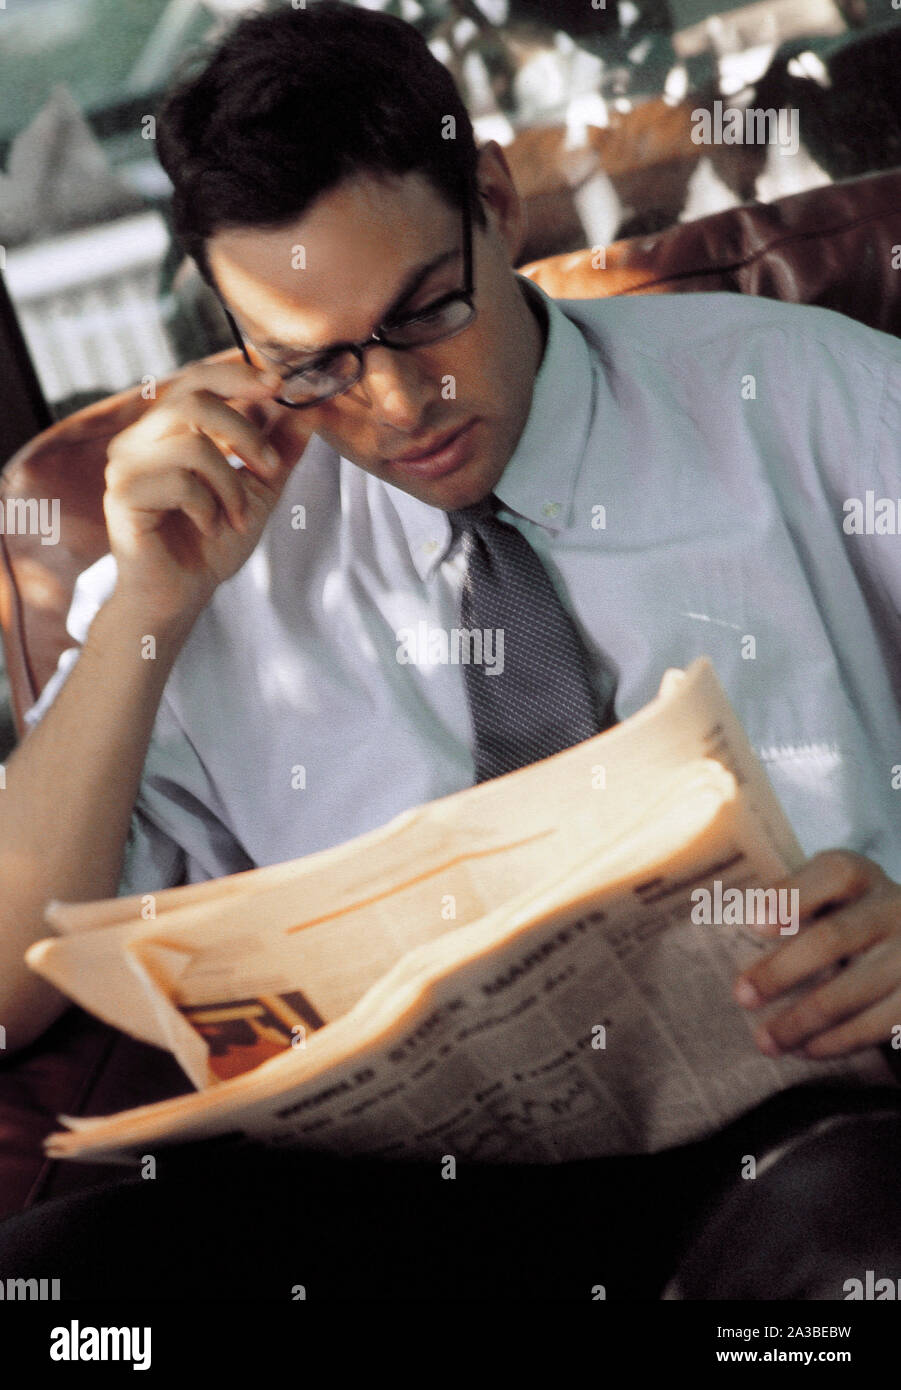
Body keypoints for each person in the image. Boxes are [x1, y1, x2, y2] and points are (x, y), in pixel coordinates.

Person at [1, 2, 900, 1300]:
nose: (396, 403)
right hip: (398, 1212)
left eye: (425, 311)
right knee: (55, 1295)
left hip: (796, 1142)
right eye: (312, 363)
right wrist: (146, 605)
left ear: (491, 200)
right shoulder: (204, 547)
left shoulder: (812, 399)